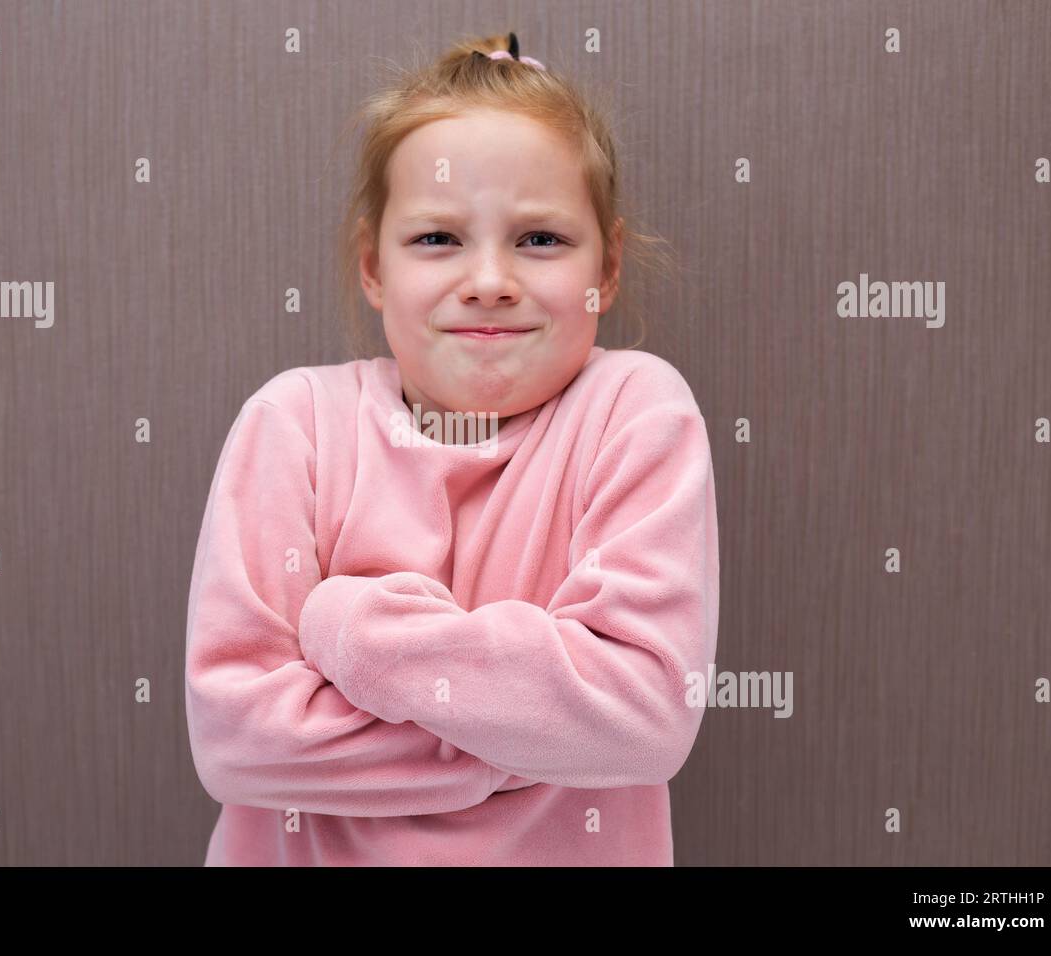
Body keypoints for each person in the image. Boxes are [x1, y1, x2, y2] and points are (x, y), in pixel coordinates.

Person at [184, 31, 720, 865]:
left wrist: (355, 630)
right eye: (438, 240)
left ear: (606, 268)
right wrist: (528, 743)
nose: (490, 279)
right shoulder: (294, 424)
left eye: (540, 240)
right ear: (373, 264)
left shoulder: (635, 413)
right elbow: (237, 742)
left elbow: (645, 718)